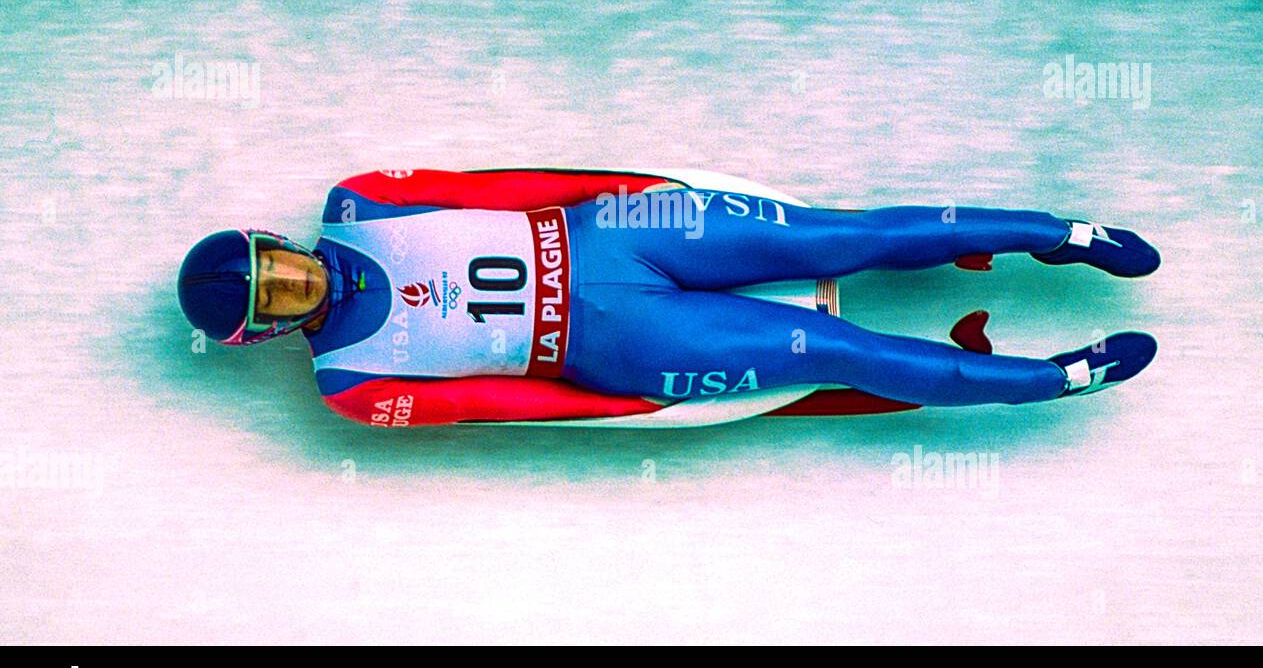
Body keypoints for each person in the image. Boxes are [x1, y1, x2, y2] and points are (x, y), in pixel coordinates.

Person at [176, 169, 1159, 426]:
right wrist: (627, 397)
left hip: (615, 233)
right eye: (281, 296)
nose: (301, 280)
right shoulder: (350, 380)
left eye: (282, 262)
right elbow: (504, 403)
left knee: (841, 235)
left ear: (277, 242)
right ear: (268, 328)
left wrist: (616, 198)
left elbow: (506, 183)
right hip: (619, 339)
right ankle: (1052, 378)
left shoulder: (359, 201)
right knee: (837, 354)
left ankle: (1060, 235)